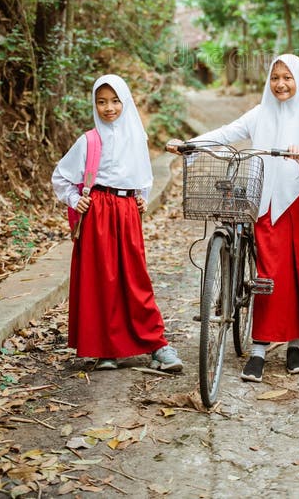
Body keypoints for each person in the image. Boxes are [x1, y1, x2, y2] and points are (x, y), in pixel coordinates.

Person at [167, 53, 299, 383]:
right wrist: (189, 144)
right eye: (275, 77)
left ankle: (295, 345)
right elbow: (226, 133)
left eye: (288, 78)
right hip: (266, 197)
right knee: (269, 273)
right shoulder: (259, 114)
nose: (281, 84)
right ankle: (259, 348)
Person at [52, 74, 183, 373]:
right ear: (94, 104)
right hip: (98, 211)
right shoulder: (89, 140)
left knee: (134, 278)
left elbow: (143, 176)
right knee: (102, 279)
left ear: (125, 102)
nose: (108, 108)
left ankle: (156, 344)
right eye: (101, 102)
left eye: (114, 101)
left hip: (126, 213)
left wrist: (142, 197)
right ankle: (105, 348)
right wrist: (75, 200)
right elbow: (60, 176)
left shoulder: (136, 137)